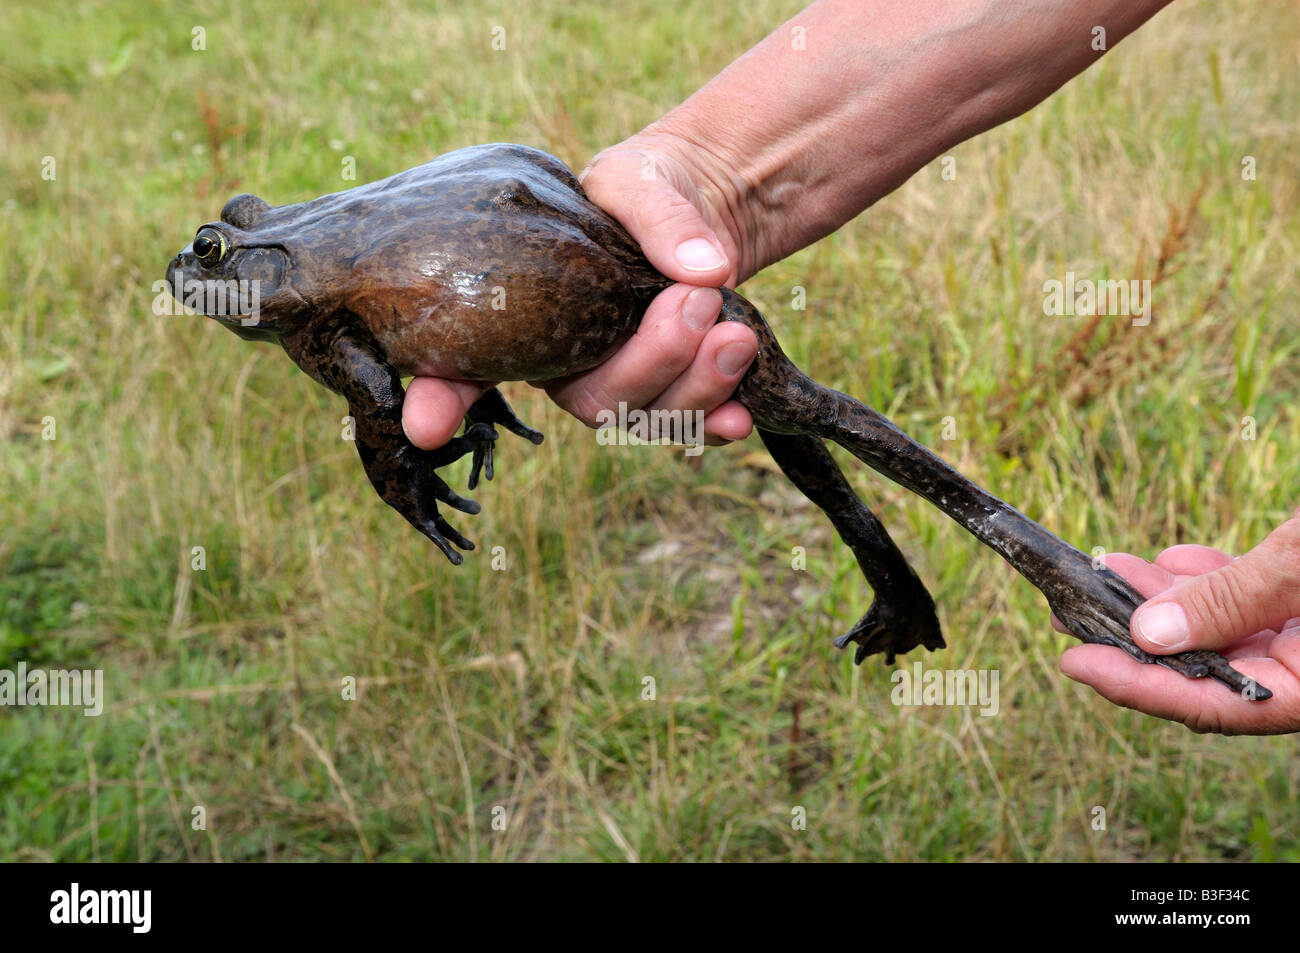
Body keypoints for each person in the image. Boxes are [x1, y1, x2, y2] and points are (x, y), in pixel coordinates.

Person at [400, 0, 1298, 733]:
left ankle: (1050, 580)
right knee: (810, 429)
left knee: (825, 423)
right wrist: (704, 171)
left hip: (681, 312)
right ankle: (940, 584)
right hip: (669, 300)